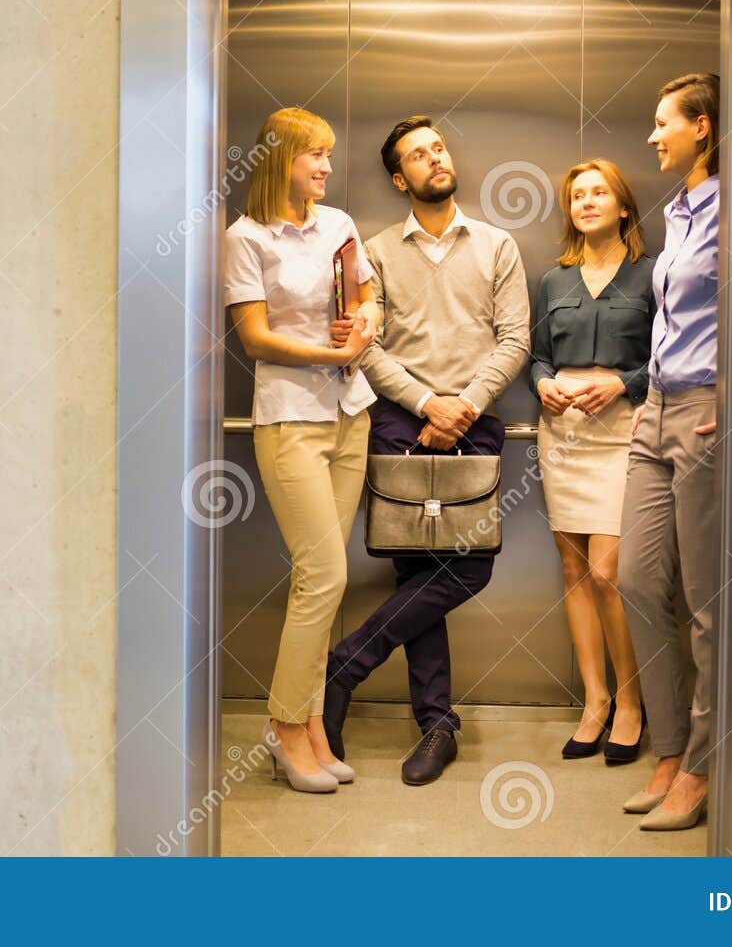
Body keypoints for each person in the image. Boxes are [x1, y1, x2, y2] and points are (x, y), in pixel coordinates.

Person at [321, 114, 530, 786]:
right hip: (399, 428)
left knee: (470, 567)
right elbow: (368, 345)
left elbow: (515, 340)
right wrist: (425, 405)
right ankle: (436, 724)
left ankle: (345, 666)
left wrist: (463, 404)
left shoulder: (497, 245)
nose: (435, 159)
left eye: (438, 147)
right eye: (418, 154)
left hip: (476, 425)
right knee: (417, 576)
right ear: (397, 176)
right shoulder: (374, 250)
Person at [223, 106, 381, 794]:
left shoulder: (339, 224)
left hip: (351, 413)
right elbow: (254, 337)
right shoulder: (245, 237)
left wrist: (366, 325)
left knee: (324, 575)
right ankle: (286, 726)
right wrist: (326, 351)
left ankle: (312, 724)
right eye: (314, 154)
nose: (325, 165)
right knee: (325, 577)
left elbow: (369, 296)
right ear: (280, 156)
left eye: (328, 153)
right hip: (290, 421)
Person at [618, 73, 723, 831]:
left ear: (704, 127)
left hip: (706, 410)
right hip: (655, 411)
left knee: (707, 604)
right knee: (633, 580)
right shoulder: (680, 209)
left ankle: (703, 764)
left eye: (665, 123)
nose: (653, 136)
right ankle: (669, 742)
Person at [528, 159, 655, 765]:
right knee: (575, 571)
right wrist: (544, 383)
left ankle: (632, 703)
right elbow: (536, 354)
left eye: (599, 192)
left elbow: (670, 355)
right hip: (564, 434)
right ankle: (595, 702)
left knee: (610, 574)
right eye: (576, 195)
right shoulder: (555, 280)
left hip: (623, 433)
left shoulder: (653, 275)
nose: (586, 202)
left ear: (624, 206)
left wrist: (625, 384)